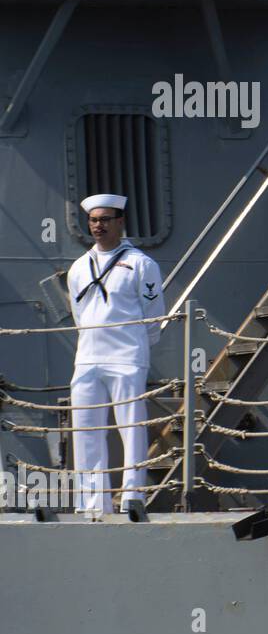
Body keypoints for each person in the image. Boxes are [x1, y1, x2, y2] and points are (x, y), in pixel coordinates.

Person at [68, 194, 167, 515]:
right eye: (94, 220)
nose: (98, 226)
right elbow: (79, 313)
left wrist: (136, 346)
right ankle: (93, 503)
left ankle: (131, 496)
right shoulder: (79, 267)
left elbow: (154, 315)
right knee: (86, 430)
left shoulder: (141, 263)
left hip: (126, 356)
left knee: (131, 427)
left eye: (105, 220)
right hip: (88, 357)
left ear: (120, 222)